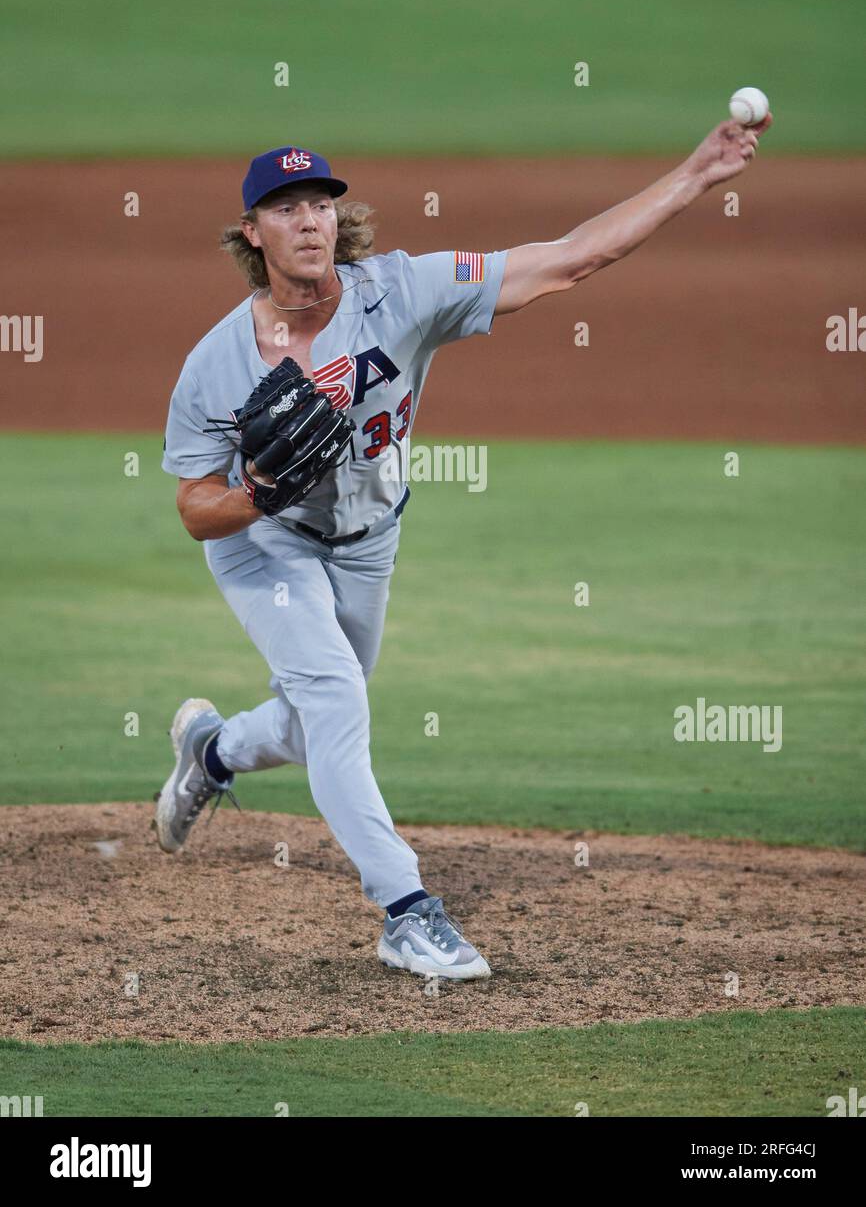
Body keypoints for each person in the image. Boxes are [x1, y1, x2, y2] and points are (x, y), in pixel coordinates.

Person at [155, 118, 771, 980]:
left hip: (371, 542)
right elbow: (194, 507)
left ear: (339, 219)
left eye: (320, 204)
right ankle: (405, 911)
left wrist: (698, 174)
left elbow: (571, 257)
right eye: (284, 207)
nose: (308, 221)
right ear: (251, 233)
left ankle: (212, 752)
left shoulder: (402, 292)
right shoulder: (214, 363)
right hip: (268, 545)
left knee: (308, 721)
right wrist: (255, 495)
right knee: (334, 697)